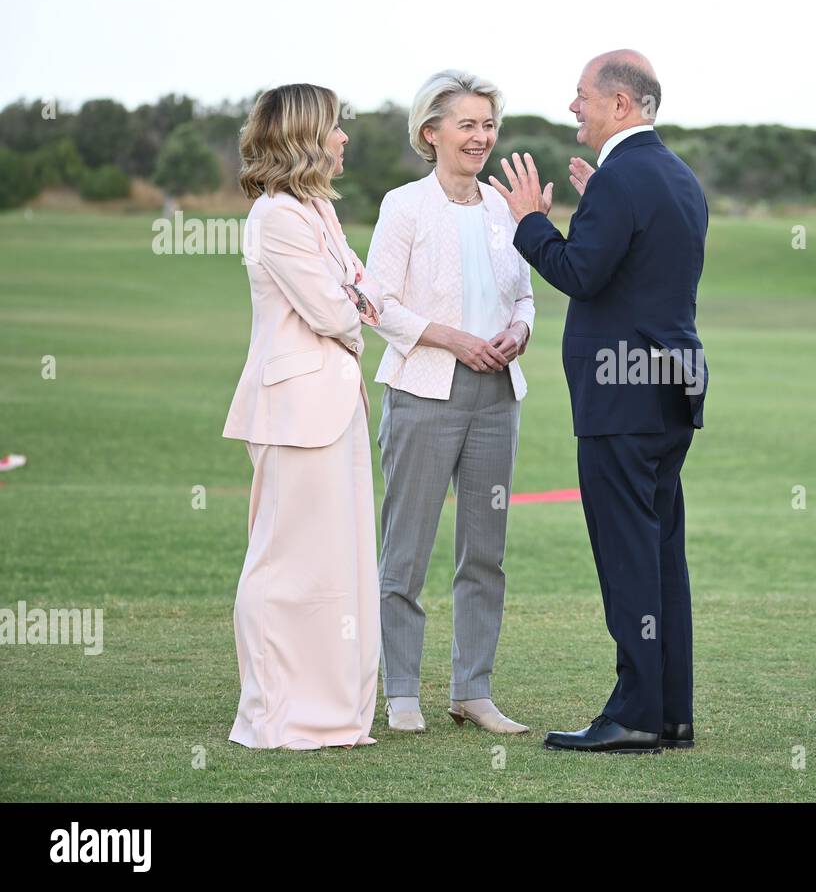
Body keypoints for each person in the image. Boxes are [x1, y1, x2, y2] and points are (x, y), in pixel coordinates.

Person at [490, 50, 708, 754]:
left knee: (627, 559)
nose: (572, 107)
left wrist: (530, 222)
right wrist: (599, 201)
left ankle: (636, 712)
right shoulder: (676, 176)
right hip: (671, 392)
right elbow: (638, 268)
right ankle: (671, 712)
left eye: (582, 95)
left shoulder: (624, 180)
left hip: (621, 399)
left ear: (621, 104)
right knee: (660, 554)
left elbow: (579, 272)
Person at [365, 70, 535, 736]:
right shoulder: (403, 206)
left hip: (498, 399)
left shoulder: (502, 207)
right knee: (405, 550)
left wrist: (519, 331)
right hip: (423, 394)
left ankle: (473, 691)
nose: (481, 137)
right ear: (430, 131)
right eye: (467, 124)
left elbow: (524, 294)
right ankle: (401, 692)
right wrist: (454, 340)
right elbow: (377, 301)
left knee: (485, 552)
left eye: (488, 124)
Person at [223, 83, 385, 750]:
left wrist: (354, 302)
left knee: (337, 563)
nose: (344, 138)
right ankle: (277, 712)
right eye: (336, 127)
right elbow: (336, 310)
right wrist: (352, 309)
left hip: (335, 401)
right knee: (285, 562)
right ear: (302, 137)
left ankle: (328, 707)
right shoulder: (277, 216)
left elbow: (364, 290)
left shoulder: (316, 208)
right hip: (295, 408)